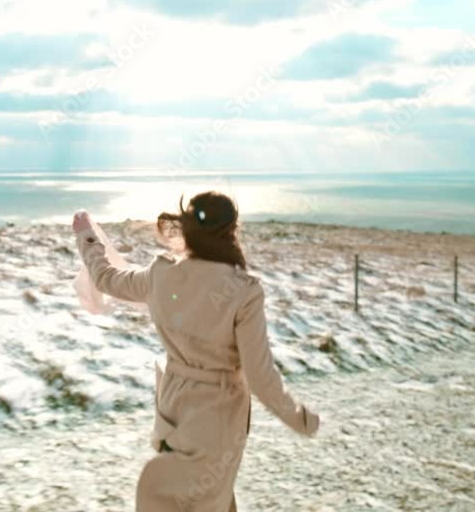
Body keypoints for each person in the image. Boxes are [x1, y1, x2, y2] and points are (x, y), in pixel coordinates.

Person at [73, 191, 320, 511]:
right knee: (204, 499)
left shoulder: (161, 274)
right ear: (231, 230)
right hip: (218, 420)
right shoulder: (244, 290)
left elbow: (107, 278)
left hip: (173, 409)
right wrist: (299, 418)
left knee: (193, 499)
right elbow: (259, 377)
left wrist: (86, 237)